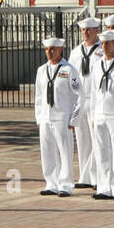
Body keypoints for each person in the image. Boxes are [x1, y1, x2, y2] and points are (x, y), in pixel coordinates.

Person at [34, 38, 84, 196]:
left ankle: (66, 184)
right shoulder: (42, 70)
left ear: (60, 50)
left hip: (63, 117)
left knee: (65, 151)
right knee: (47, 151)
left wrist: (73, 119)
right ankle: (51, 182)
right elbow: (39, 97)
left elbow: (79, 96)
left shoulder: (69, 69)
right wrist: (39, 118)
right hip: (46, 118)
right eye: (47, 49)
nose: (49, 52)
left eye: (53, 49)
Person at [89, 29, 114, 202]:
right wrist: (92, 115)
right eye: (102, 43)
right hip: (100, 113)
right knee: (101, 150)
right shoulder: (97, 64)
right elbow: (93, 92)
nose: (105, 47)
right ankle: (104, 186)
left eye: (108, 43)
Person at [68, 17, 102, 189]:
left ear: (96, 31)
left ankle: (95, 176)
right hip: (80, 99)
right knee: (82, 140)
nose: (86, 33)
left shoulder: (102, 51)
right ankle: (84, 176)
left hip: (95, 99)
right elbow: (71, 76)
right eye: (83, 30)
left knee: (97, 140)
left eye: (89, 30)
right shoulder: (75, 52)